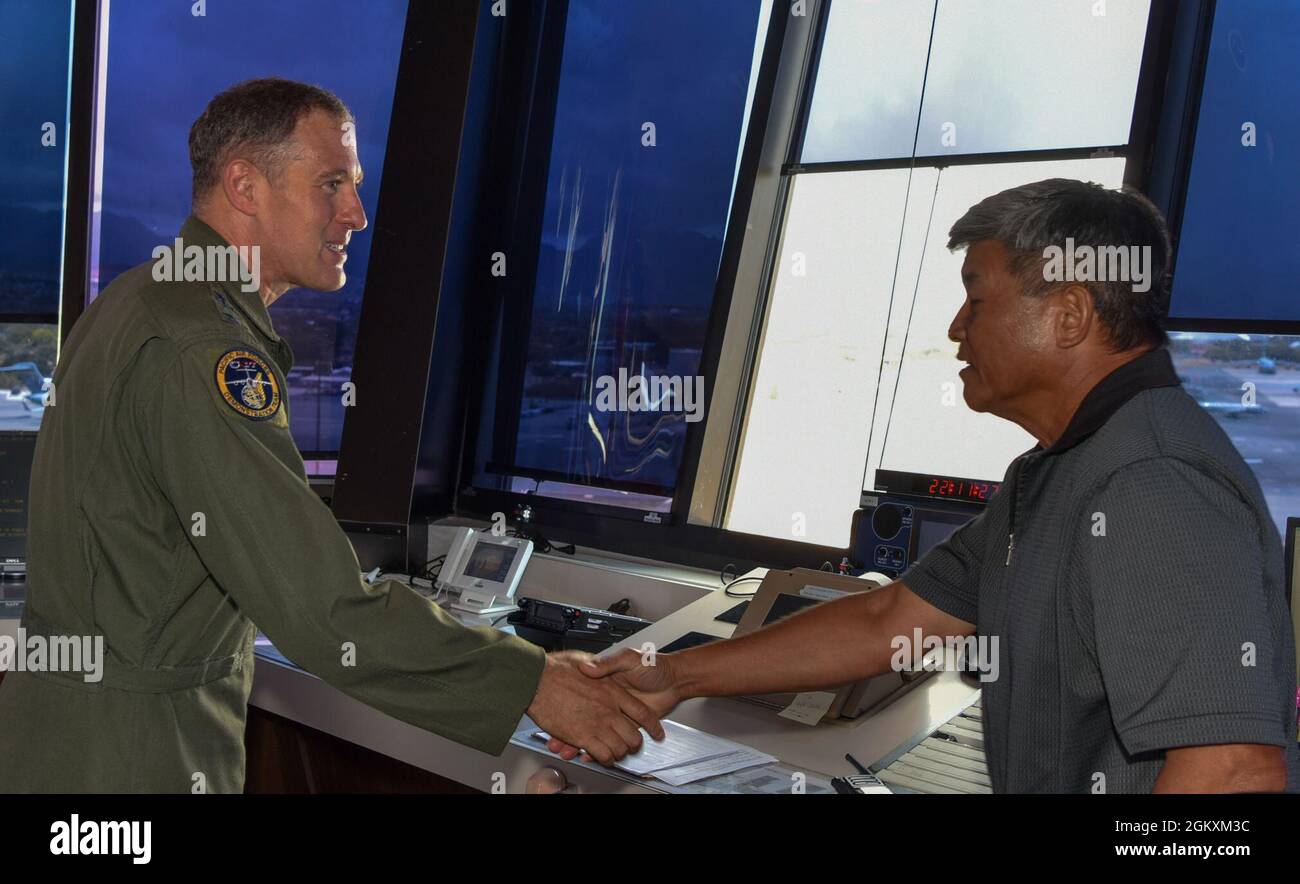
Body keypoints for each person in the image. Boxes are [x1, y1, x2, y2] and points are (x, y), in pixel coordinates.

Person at [0, 77, 661, 793]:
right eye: (332, 184)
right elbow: (318, 606)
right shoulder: (205, 348)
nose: (358, 214)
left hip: (65, 735)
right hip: (133, 755)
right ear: (245, 186)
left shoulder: (139, 295)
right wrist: (529, 680)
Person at [567, 179, 1300, 793]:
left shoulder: (1153, 485)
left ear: (1070, 315)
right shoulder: (1051, 473)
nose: (956, 328)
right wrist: (677, 674)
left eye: (976, 302)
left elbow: (1232, 774)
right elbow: (887, 621)